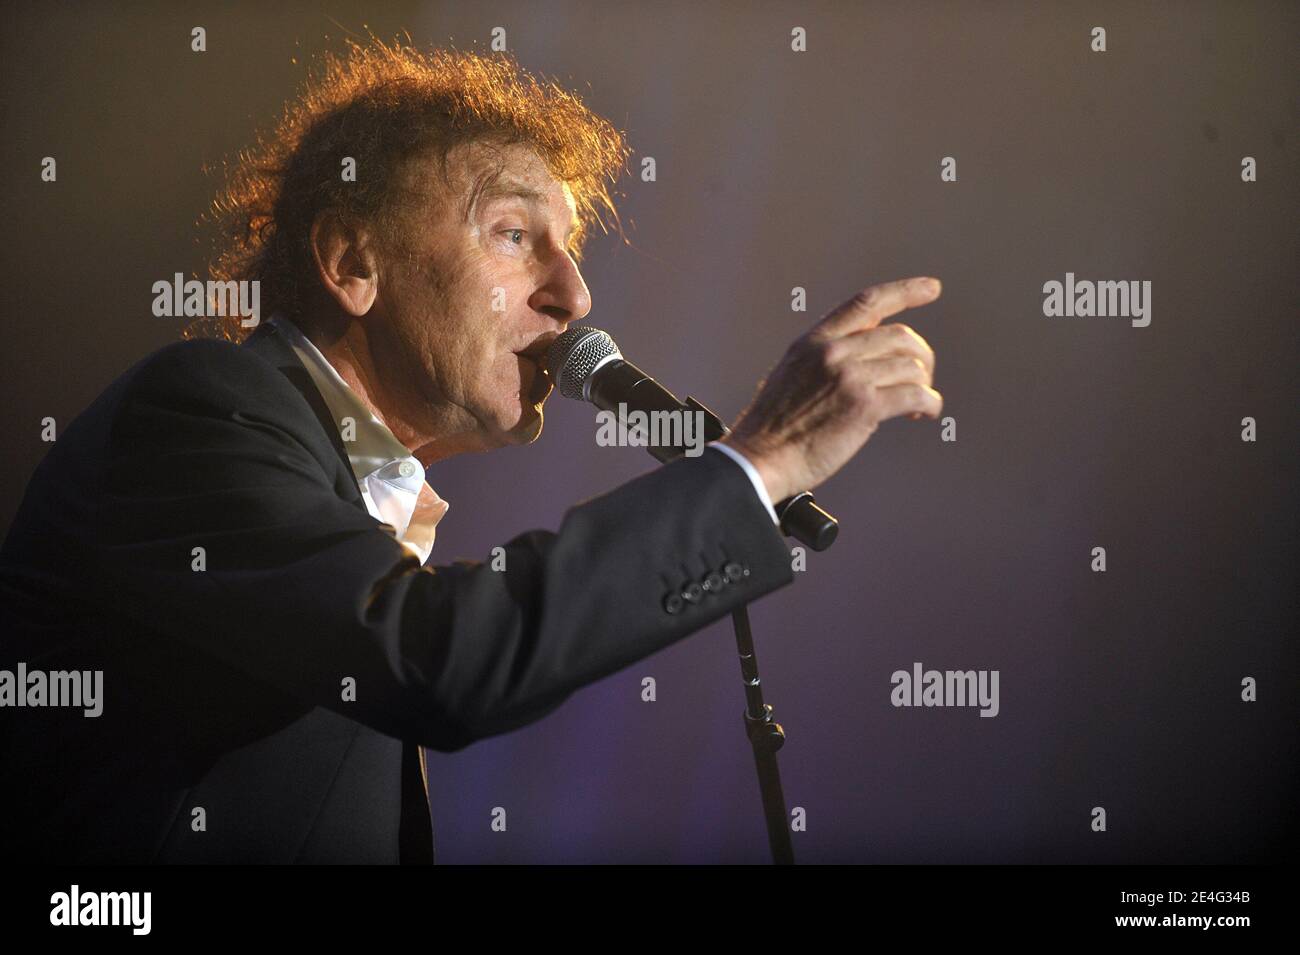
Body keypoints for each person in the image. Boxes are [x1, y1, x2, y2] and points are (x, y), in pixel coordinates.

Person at [0, 42, 943, 863]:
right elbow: (437, 659)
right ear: (352, 264)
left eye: (570, 250)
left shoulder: (358, 496)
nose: (574, 295)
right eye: (512, 235)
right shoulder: (201, 409)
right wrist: (758, 462)